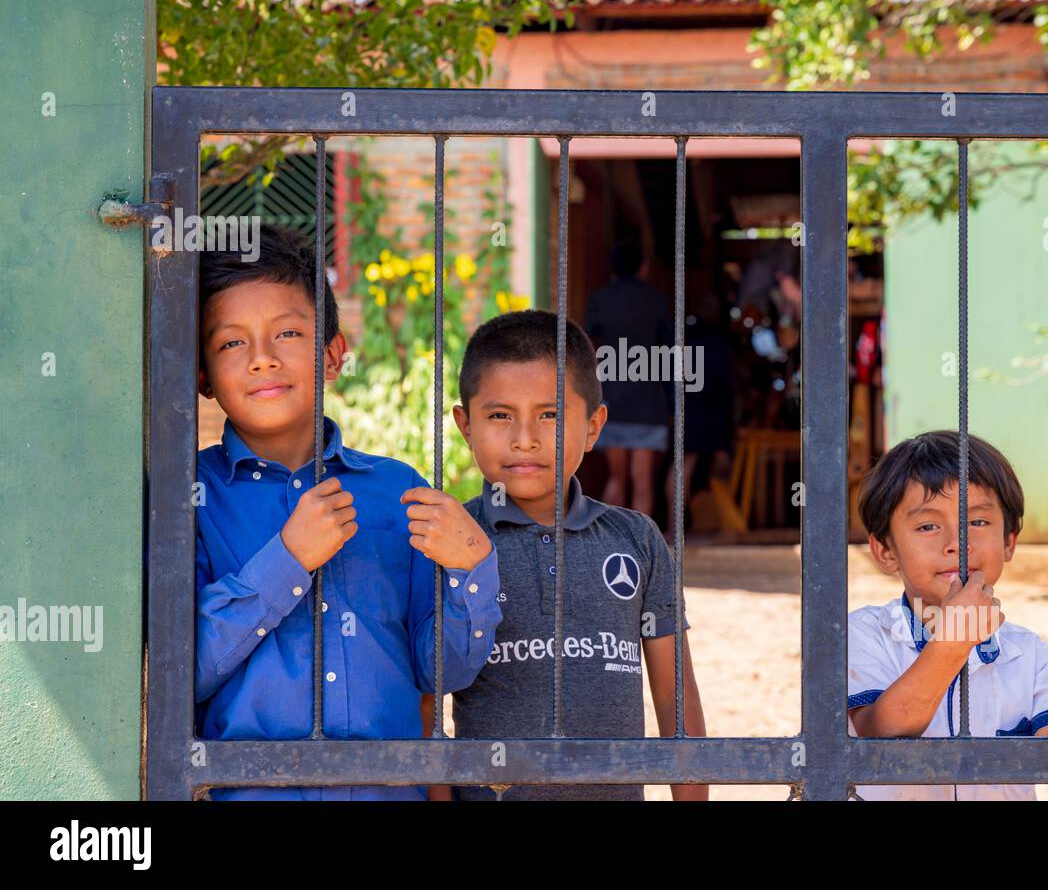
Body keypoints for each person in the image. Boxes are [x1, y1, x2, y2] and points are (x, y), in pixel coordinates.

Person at [194, 226, 501, 800]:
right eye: (232, 342)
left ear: (333, 355)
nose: (262, 359)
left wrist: (473, 571)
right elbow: (177, 670)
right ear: (203, 374)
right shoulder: (188, 496)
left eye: (288, 332)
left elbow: (440, 673)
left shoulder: (397, 492)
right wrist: (287, 561)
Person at [446, 309, 708, 800]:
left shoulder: (636, 540)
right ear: (465, 424)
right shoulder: (450, 541)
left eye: (550, 415)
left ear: (593, 426)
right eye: (500, 416)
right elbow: (424, 707)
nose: (525, 439)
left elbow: (677, 700)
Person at [847, 430, 1048, 800]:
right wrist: (953, 643)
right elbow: (881, 733)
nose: (957, 542)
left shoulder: (1029, 654)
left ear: (1009, 541)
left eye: (977, 522)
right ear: (885, 551)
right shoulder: (865, 634)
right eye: (927, 526)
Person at [585, 240, 671, 516]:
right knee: (642, 479)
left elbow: (587, 343)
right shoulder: (657, 301)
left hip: (612, 398)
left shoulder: (600, 299)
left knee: (616, 477)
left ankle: (611, 544)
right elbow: (669, 351)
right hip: (648, 399)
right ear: (643, 268)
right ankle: (640, 548)